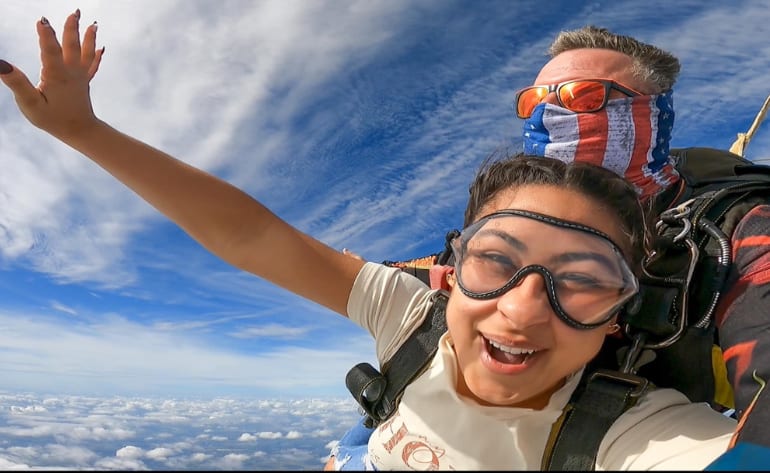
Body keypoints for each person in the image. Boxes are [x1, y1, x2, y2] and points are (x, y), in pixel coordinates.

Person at [0, 12, 738, 471]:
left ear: (620, 312)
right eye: (496, 259)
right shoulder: (414, 315)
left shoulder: (633, 434)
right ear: (452, 265)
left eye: (579, 275)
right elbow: (251, 233)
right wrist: (83, 132)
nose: (520, 307)